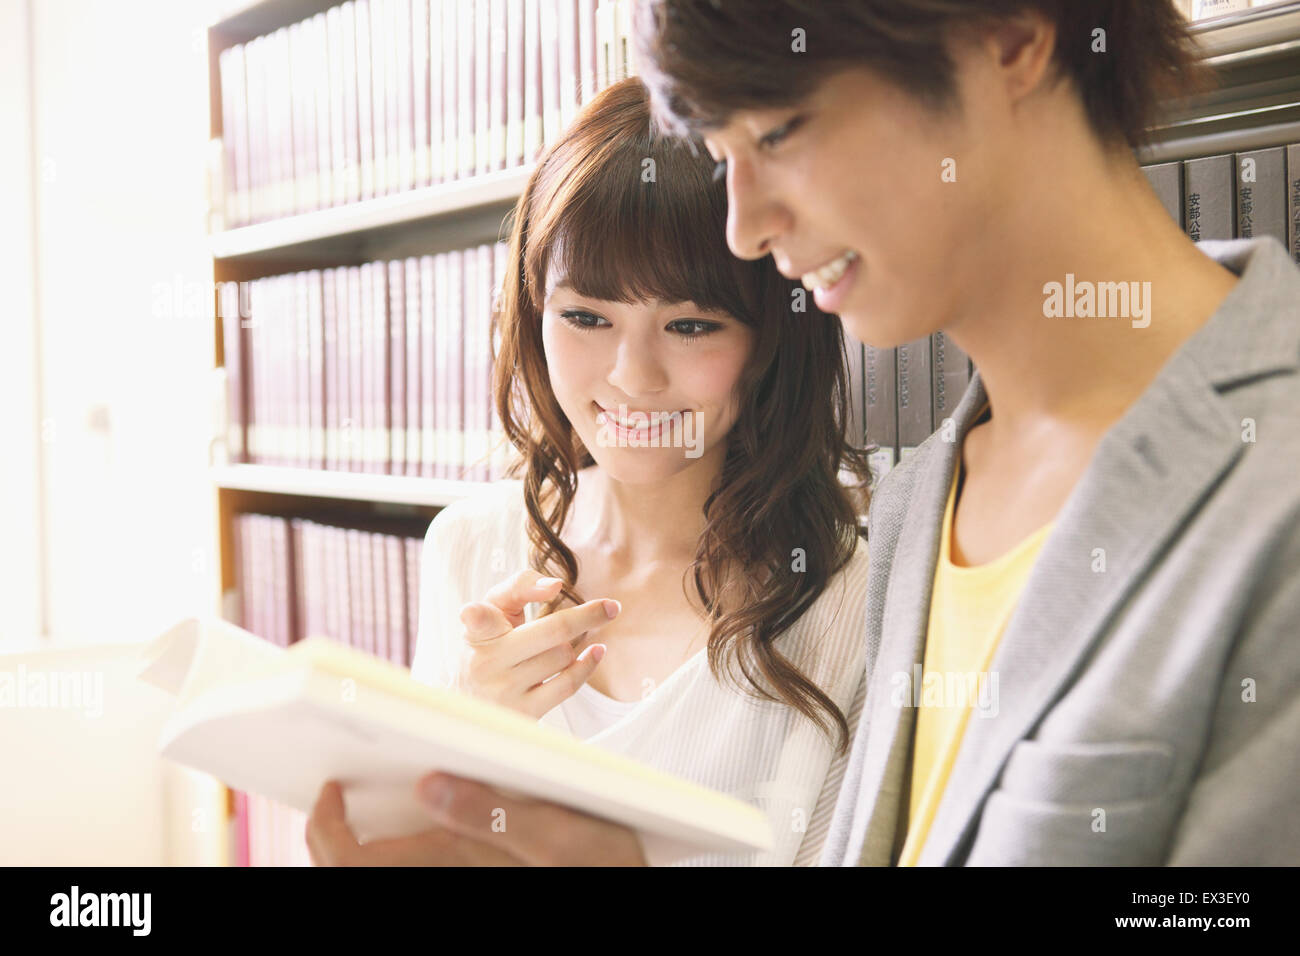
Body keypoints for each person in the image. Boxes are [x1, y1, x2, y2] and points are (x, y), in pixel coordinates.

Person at [309, 0, 1300, 866]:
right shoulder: (928, 499)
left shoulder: (1273, 489)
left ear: (1008, 43)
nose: (743, 229)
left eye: (778, 131)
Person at [307, 76, 872, 866]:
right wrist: (466, 728)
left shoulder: (846, 591)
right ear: (536, 315)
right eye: (585, 318)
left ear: (772, 341)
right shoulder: (471, 546)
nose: (632, 377)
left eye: (690, 324)